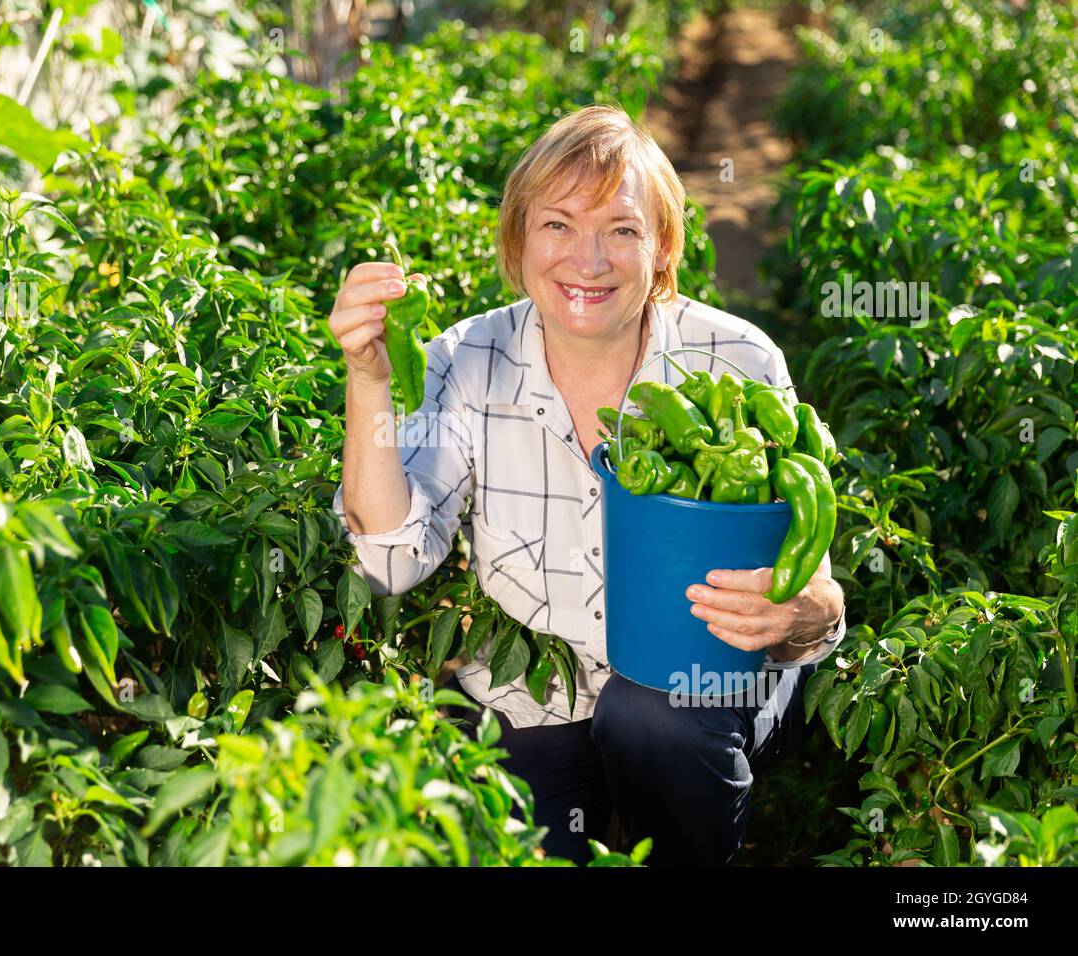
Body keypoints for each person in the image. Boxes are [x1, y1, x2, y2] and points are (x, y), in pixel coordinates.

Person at [327, 104, 846, 866]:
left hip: (701, 685)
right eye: (559, 225)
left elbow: (821, 602)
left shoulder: (738, 360)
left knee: (650, 718)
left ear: (664, 246)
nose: (589, 259)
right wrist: (368, 379)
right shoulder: (465, 362)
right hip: (537, 693)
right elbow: (390, 560)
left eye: (622, 230)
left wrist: (797, 614)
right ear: (518, 241)